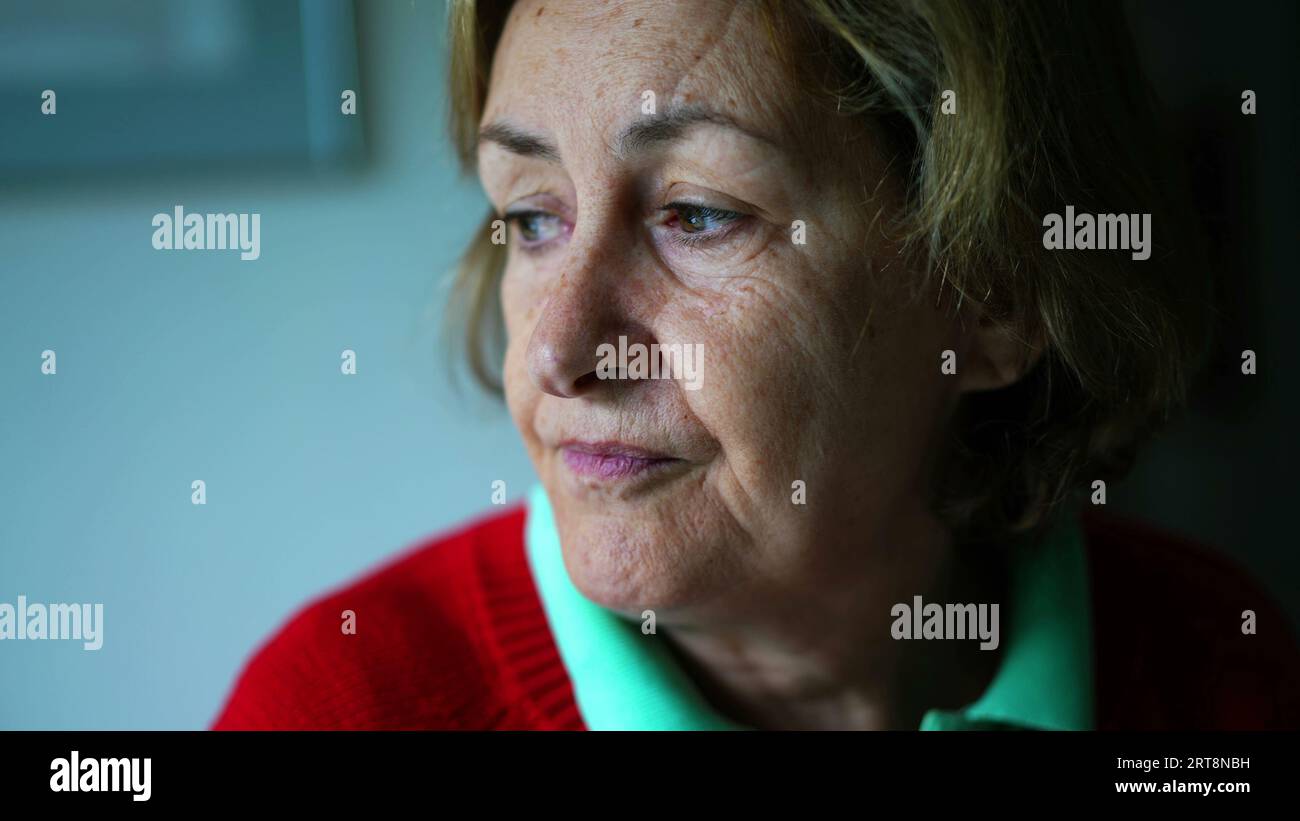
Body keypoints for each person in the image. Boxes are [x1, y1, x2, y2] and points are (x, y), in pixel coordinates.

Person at [212, 0, 1300, 731]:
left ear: (996, 289)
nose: (556, 349)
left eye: (696, 213)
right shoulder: (342, 703)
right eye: (530, 217)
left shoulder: (1218, 665)